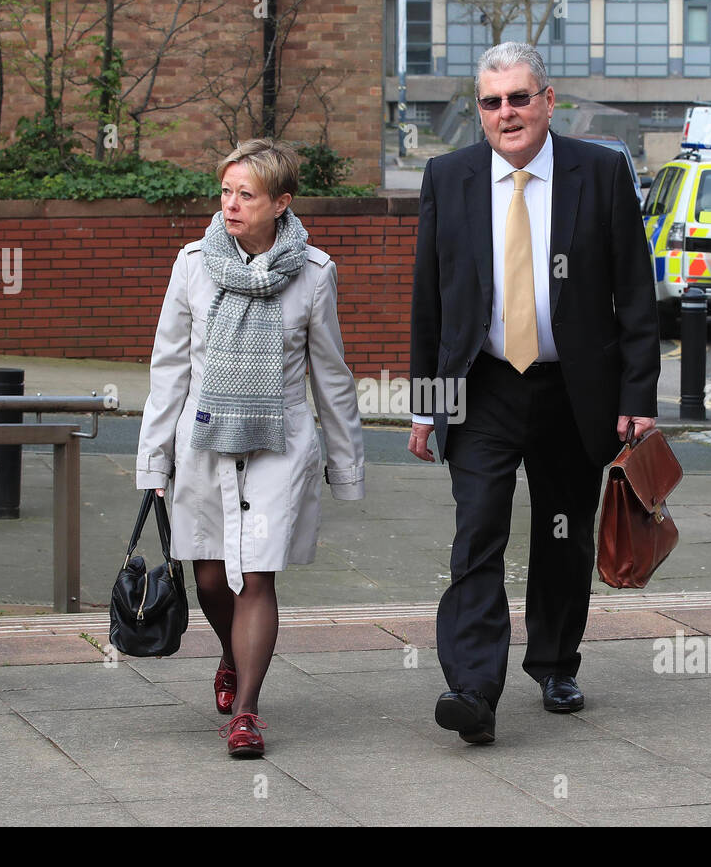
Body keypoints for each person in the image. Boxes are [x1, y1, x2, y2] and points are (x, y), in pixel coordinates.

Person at [408, 42, 659, 744]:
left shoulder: (601, 173)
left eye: (519, 97)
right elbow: (431, 304)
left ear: (548, 100)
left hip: (573, 390)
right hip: (482, 387)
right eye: (491, 102)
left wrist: (637, 394)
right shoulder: (448, 177)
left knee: (562, 533)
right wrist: (429, 404)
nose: (506, 112)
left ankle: (554, 661)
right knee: (477, 533)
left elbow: (636, 296)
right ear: (479, 112)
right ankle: (473, 688)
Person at [136, 138, 364, 758]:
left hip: (281, 443)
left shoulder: (315, 274)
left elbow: (331, 374)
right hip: (205, 440)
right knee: (211, 578)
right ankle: (232, 656)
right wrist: (153, 460)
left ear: (281, 202)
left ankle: (246, 711)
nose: (231, 205)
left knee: (257, 575)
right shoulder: (192, 265)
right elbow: (169, 371)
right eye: (226, 192)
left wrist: (345, 465)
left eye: (247, 195)